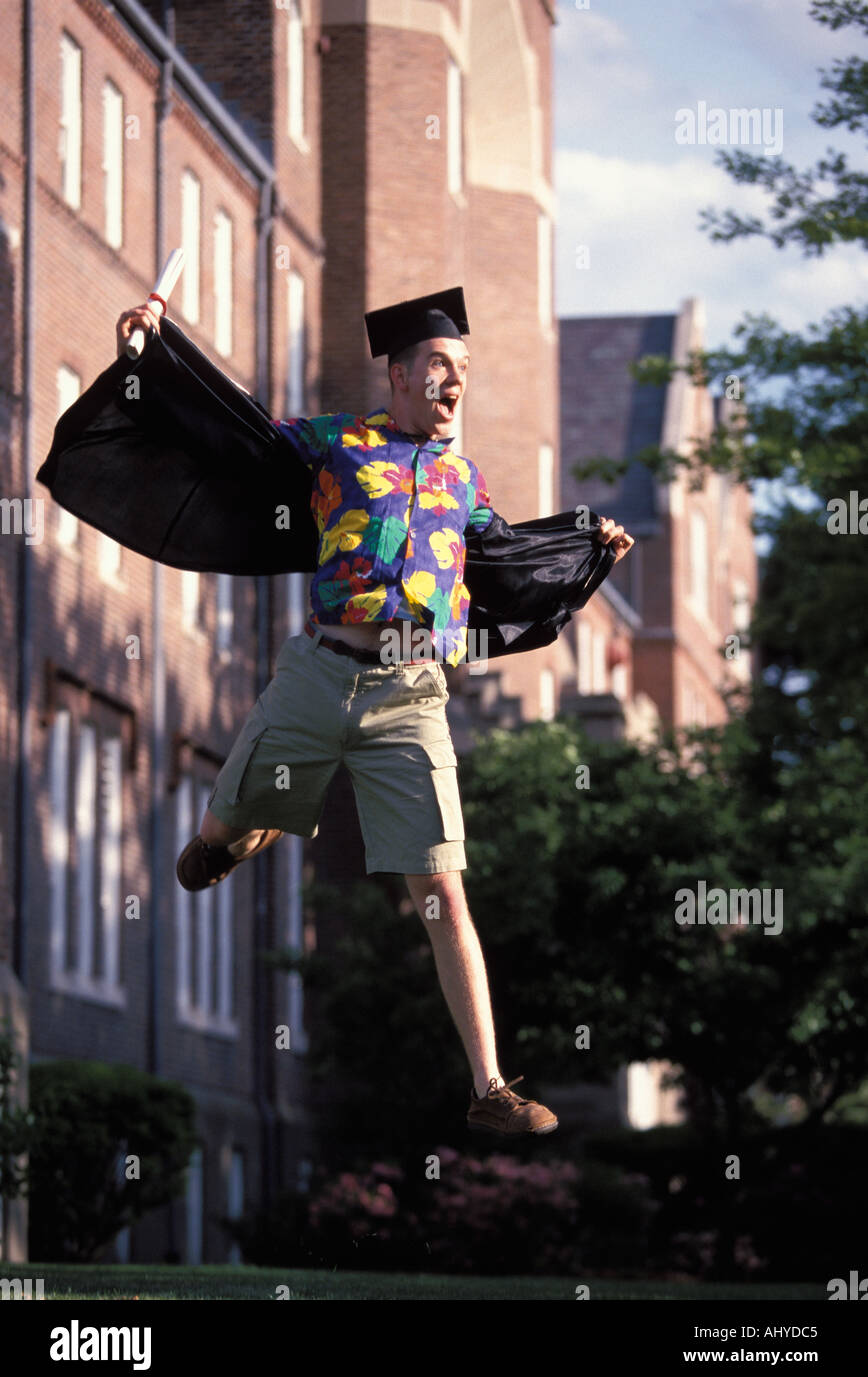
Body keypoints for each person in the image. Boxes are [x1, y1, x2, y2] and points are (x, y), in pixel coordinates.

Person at [115, 287, 634, 1137]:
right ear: (399, 373)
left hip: (411, 700)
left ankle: (490, 1087)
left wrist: (588, 545)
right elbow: (235, 432)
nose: (455, 380)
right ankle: (235, 837)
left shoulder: (462, 478)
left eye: (464, 369)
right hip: (320, 675)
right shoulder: (335, 444)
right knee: (218, 833)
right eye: (440, 365)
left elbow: (505, 558)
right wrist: (151, 356)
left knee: (443, 894)